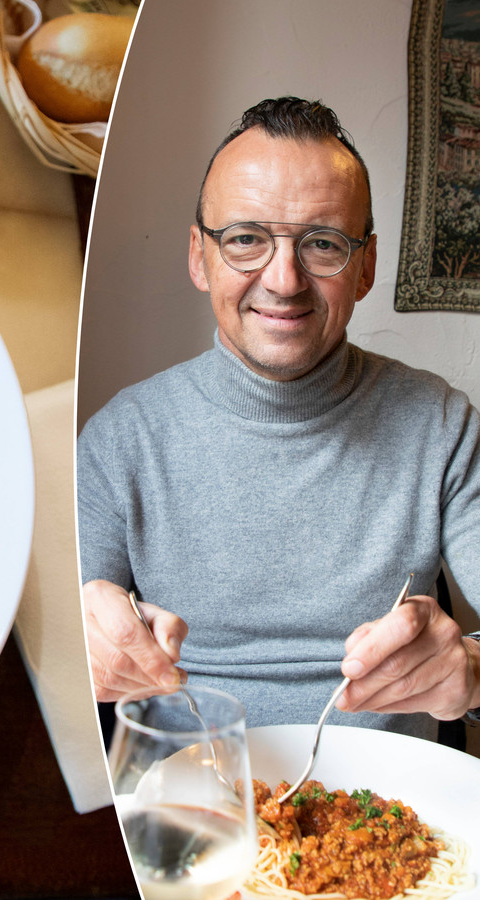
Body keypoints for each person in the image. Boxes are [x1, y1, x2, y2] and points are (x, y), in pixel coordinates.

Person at [77, 96, 480, 741]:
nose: (284, 279)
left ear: (366, 266)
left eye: (322, 244)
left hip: (393, 815)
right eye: (245, 240)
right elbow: (59, 645)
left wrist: (475, 670)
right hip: (189, 806)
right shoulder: (120, 439)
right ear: (197, 257)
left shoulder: (442, 424)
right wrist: (82, 646)